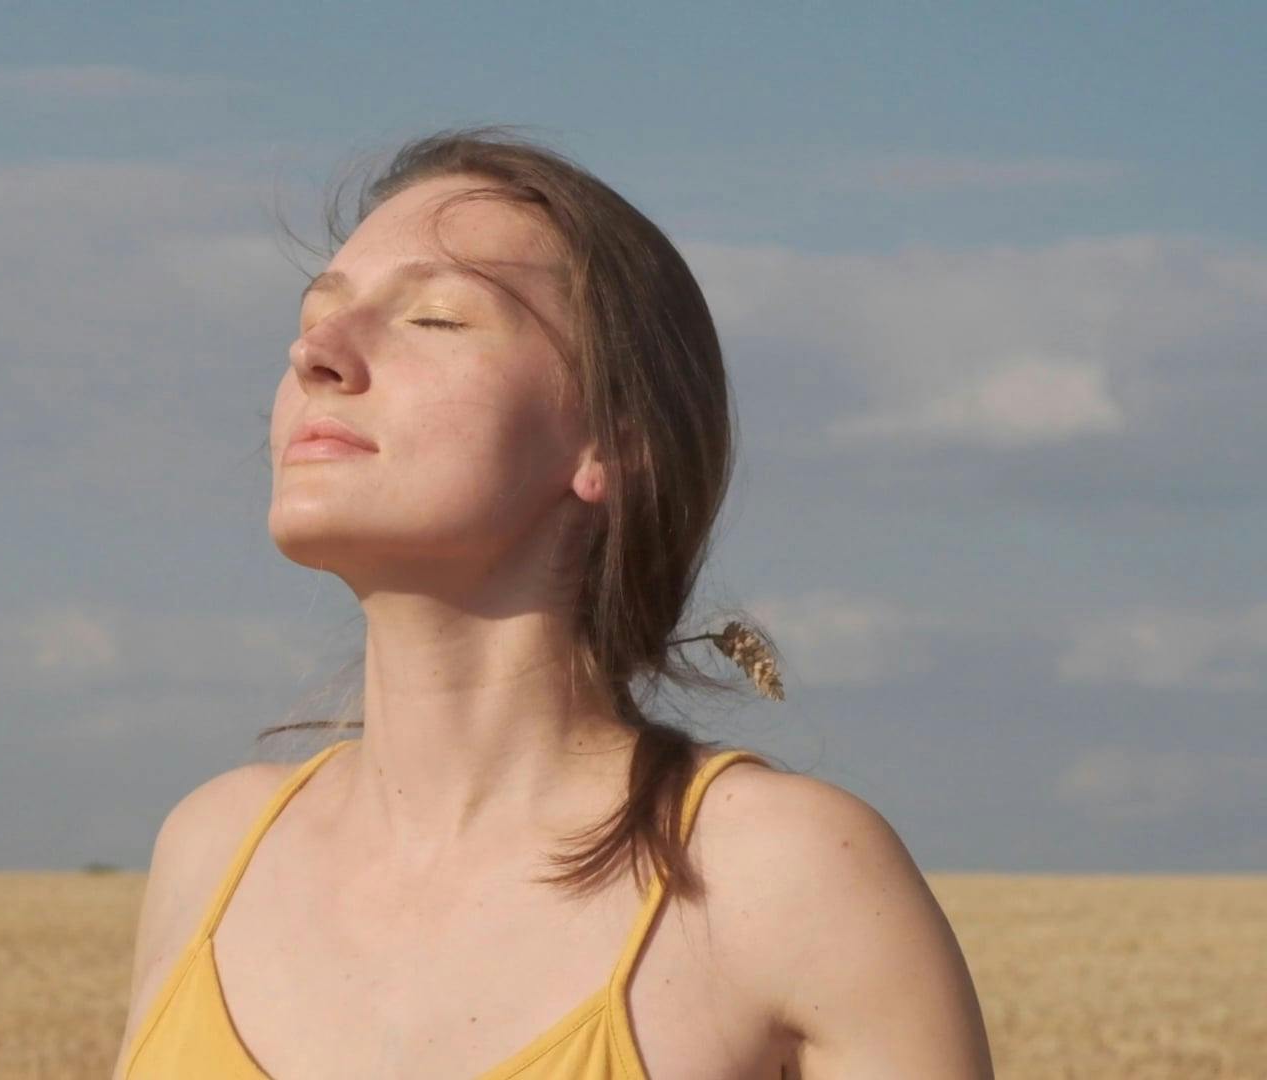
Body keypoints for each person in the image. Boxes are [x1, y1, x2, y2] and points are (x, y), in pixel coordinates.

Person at [114, 126, 993, 1079]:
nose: (314, 353)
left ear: (614, 443)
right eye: (314, 315)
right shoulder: (212, 849)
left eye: (436, 318)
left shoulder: (783, 874)